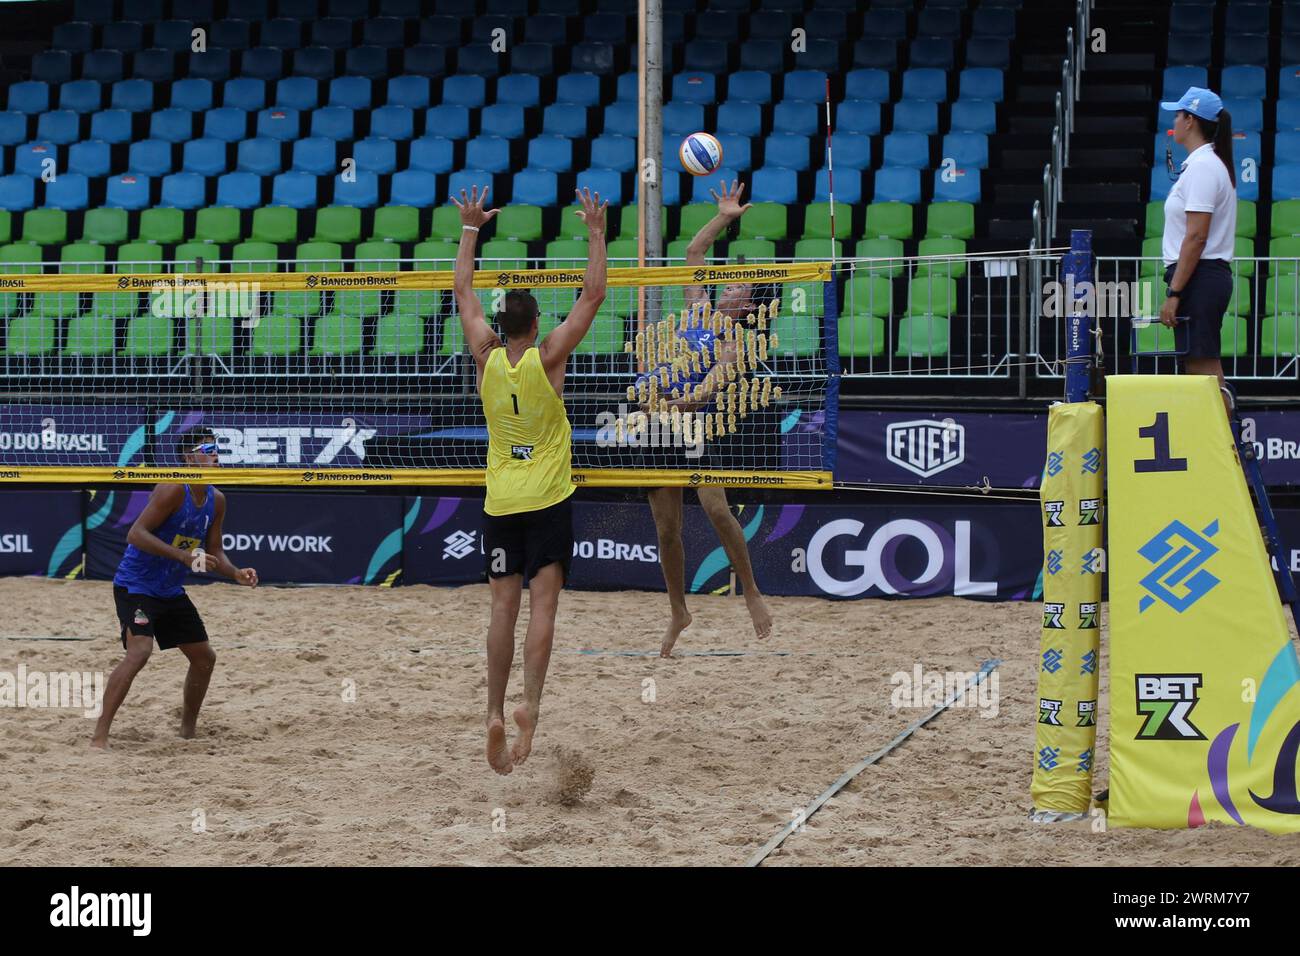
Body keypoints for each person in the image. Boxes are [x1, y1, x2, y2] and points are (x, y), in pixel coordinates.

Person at [452, 184, 608, 775]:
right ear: (537, 321)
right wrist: (594, 231)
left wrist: (472, 228)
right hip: (547, 498)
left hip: (501, 500)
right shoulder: (548, 358)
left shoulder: (485, 356)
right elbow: (593, 295)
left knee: (501, 610)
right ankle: (530, 710)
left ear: (499, 323)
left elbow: (463, 289)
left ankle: (492, 708)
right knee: (544, 607)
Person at [644, 179, 774, 657]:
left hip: (695, 426)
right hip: (660, 425)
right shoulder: (698, 308)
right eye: (732, 281)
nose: (729, 286)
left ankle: (752, 592)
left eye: (739, 286)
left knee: (717, 509)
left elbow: (716, 380)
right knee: (666, 528)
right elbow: (694, 252)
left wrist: (686, 402)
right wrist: (724, 216)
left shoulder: (735, 341)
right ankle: (679, 610)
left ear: (749, 306)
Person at [91, 427, 259, 749]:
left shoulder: (216, 499)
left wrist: (236, 573)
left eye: (216, 448)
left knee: (204, 658)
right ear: (188, 457)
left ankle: (187, 730)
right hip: (136, 585)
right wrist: (182, 556)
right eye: (207, 448)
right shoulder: (172, 488)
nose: (215, 454)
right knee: (139, 652)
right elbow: (136, 534)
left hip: (168, 590)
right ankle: (99, 736)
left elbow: (215, 551)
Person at [1157, 86, 1237, 406]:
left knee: (1202, 370)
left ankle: (1225, 443)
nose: (1174, 121)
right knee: (1199, 370)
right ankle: (1222, 443)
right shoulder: (1207, 164)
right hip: (1201, 276)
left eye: (1178, 115)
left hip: (1199, 278)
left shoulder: (1204, 167)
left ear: (1190, 121)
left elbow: (1196, 237)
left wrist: (1175, 293)